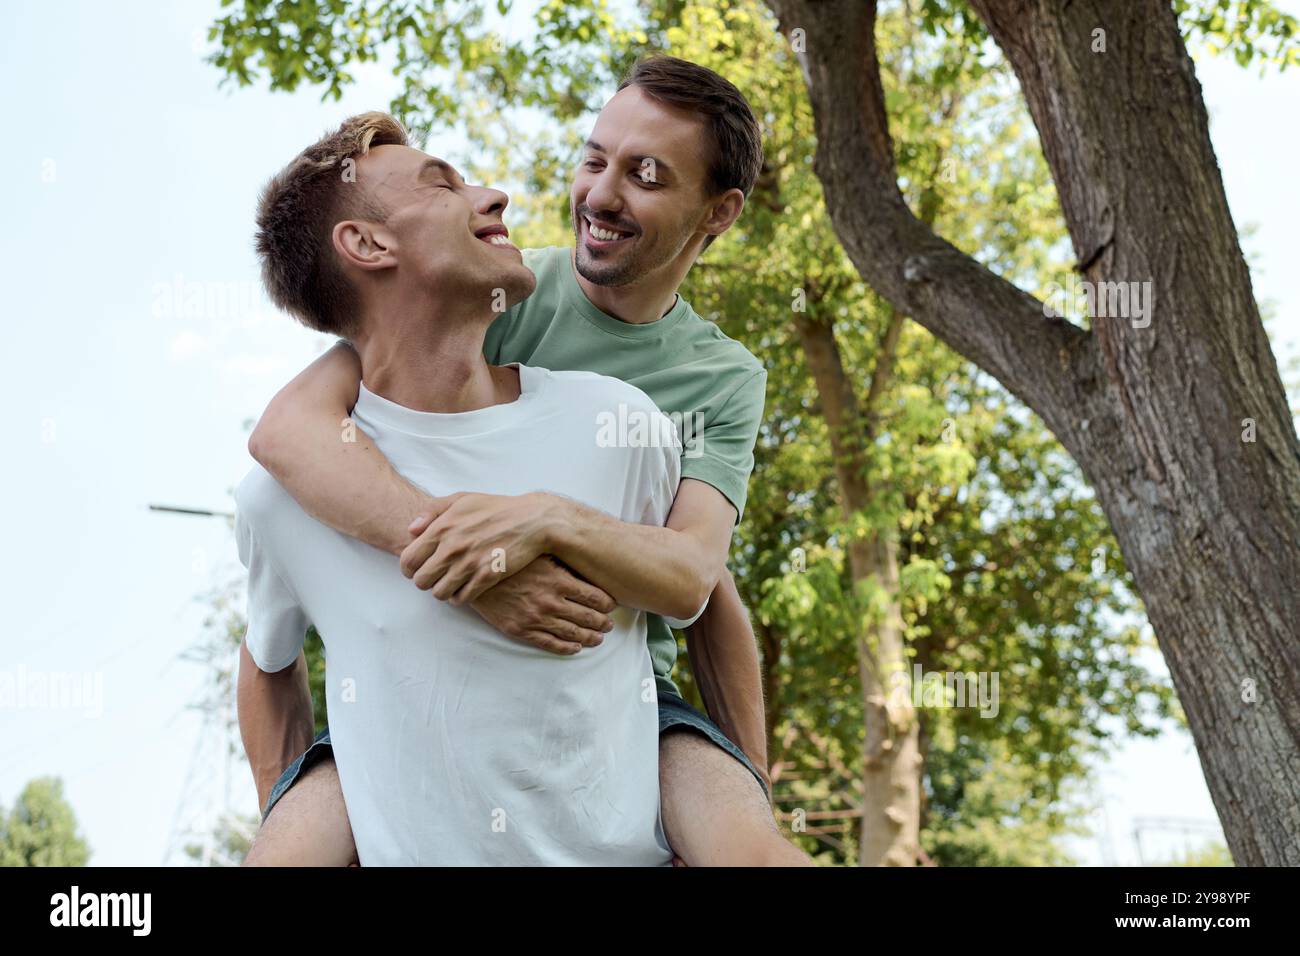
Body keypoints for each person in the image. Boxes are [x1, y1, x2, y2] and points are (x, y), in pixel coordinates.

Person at [243, 56, 813, 867]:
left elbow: (697, 579)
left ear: (717, 214)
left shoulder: (715, 383)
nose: (602, 194)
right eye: (594, 160)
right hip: (410, 695)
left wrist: (544, 519)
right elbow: (292, 432)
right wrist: (479, 570)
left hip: (620, 691)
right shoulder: (498, 291)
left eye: (646, 175)